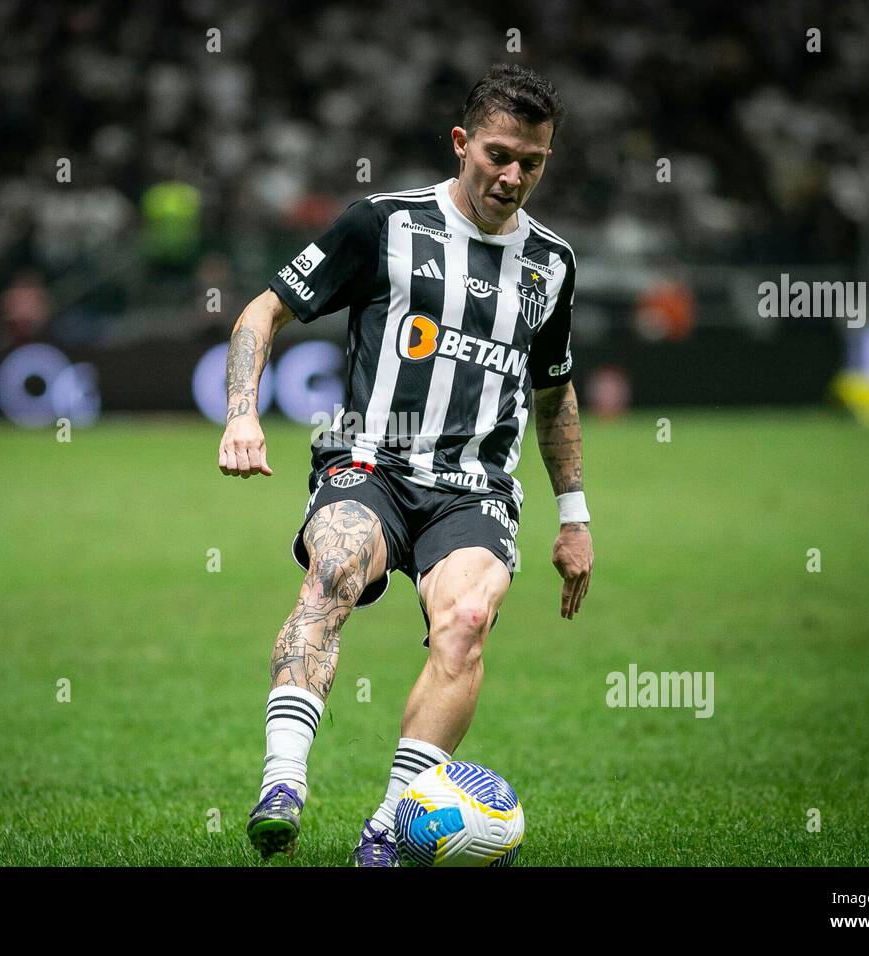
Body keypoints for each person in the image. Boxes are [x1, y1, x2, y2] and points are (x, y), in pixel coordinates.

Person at [217, 64, 594, 866]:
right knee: (336, 567)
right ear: (461, 144)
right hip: (370, 459)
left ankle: (390, 829)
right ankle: (282, 783)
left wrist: (575, 518)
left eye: (533, 162)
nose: (513, 175)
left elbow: (556, 394)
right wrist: (242, 411)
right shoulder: (383, 223)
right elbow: (265, 308)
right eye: (498, 154)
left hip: (476, 487)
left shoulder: (552, 265)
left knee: (467, 622)